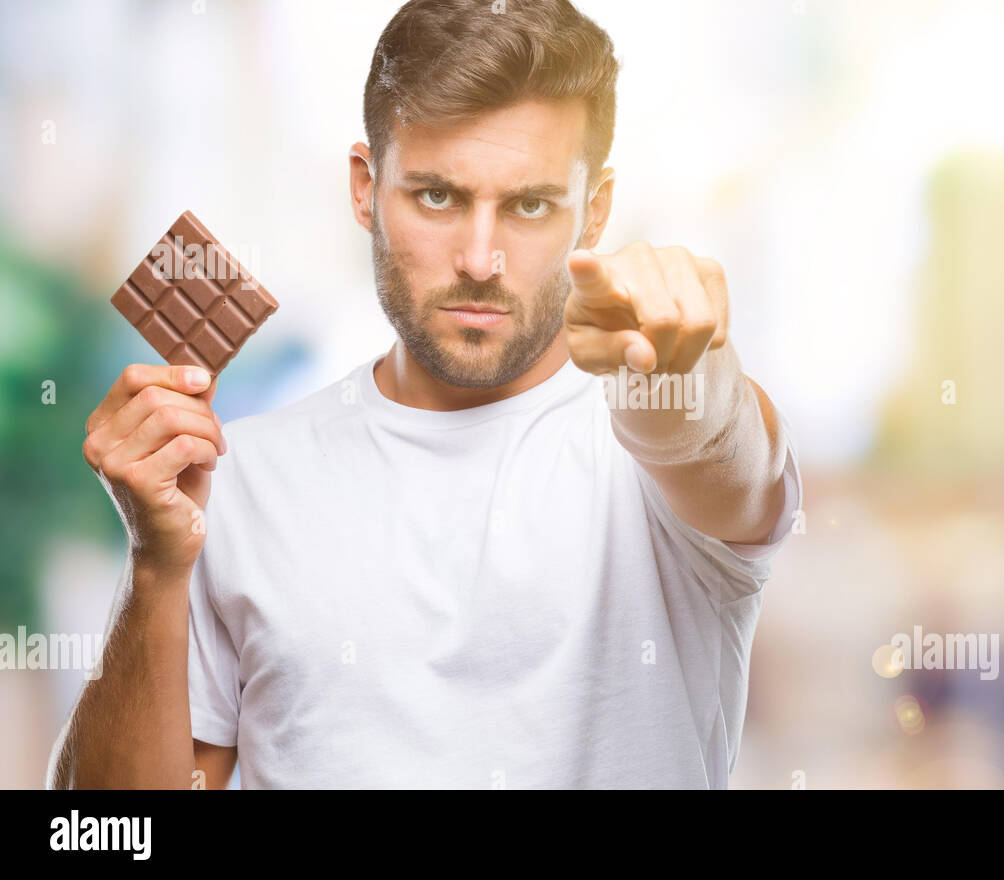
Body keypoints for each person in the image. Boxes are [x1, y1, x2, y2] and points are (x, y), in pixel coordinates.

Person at [52, 0, 802, 789]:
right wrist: (154, 567)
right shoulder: (238, 480)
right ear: (364, 189)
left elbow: (721, 453)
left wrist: (685, 374)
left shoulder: (659, 464)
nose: (481, 259)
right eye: (438, 197)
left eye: (531, 205)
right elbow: (110, 839)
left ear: (596, 212)